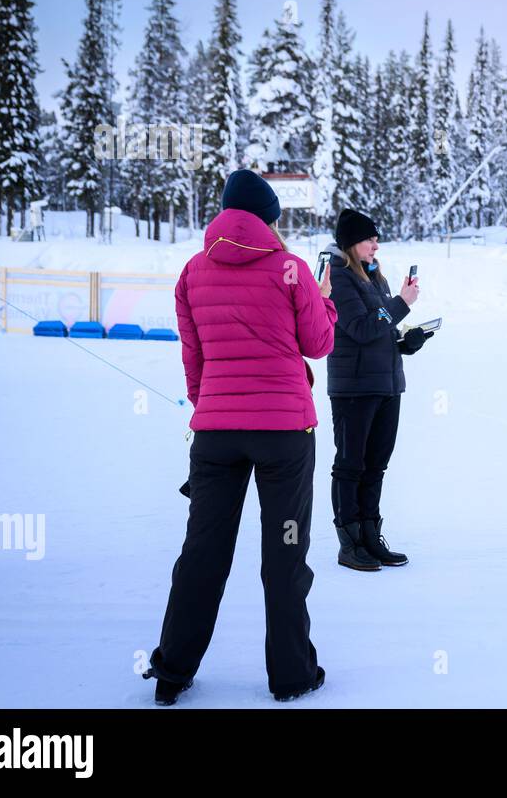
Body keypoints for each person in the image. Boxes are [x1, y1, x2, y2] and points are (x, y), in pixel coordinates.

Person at [145, 169, 336, 706]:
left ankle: (172, 671)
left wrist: (207, 406)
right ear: (269, 220)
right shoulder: (291, 270)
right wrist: (326, 301)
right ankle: (292, 675)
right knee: (286, 551)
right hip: (284, 436)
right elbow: (319, 344)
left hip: (216, 435)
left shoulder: (192, 272)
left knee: (202, 550)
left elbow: (194, 356)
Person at [325, 208, 433, 571]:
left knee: (376, 466)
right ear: (351, 243)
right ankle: (349, 541)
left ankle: (371, 535)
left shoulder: (375, 279)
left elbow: (381, 329)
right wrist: (401, 304)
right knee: (351, 465)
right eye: (369, 239)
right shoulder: (338, 278)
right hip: (354, 388)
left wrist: (407, 341)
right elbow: (360, 328)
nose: (376, 245)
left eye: (376, 239)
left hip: (386, 385)